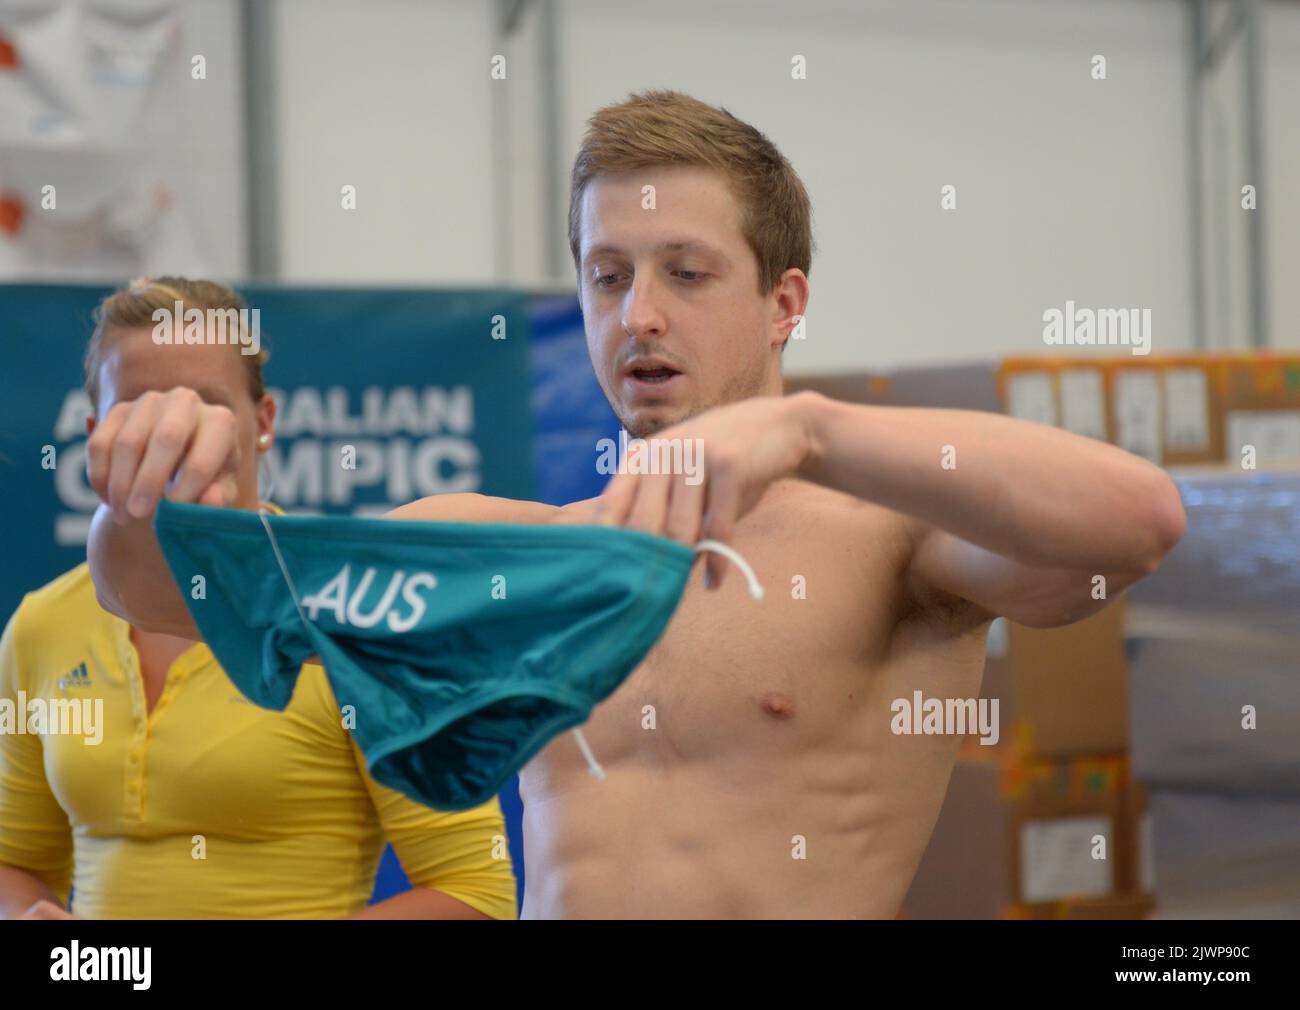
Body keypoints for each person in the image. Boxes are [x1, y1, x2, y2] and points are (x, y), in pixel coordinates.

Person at [83, 93, 1185, 919]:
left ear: (782, 301)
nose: (639, 315)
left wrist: (818, 428)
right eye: (607, 276)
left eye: (686, 273)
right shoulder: (506, 559)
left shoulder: (890, 548)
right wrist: (144, 484)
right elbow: (149, 584)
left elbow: (1138, 520)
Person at [0, 277, 517, 920]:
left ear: (263, 422)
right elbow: (15, 859)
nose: (175, 434)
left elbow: (475, 890)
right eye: (141, 410)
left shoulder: (352, 613)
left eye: (203, 406)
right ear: (95, 432)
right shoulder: (41, 625)